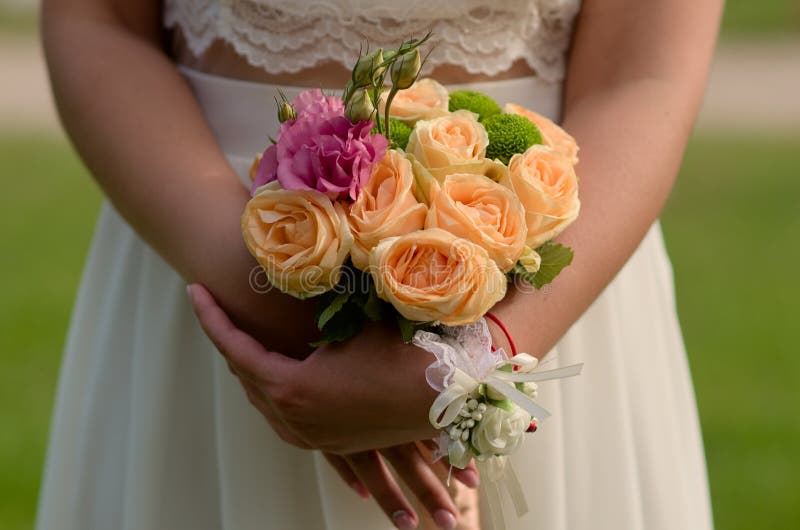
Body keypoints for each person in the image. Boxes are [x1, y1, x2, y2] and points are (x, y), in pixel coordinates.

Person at [36, 0, 721, 529]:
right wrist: (289, 314)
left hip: (550, 292)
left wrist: (476, 368)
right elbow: (98, 21)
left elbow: (644, 73)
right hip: (205, 260)